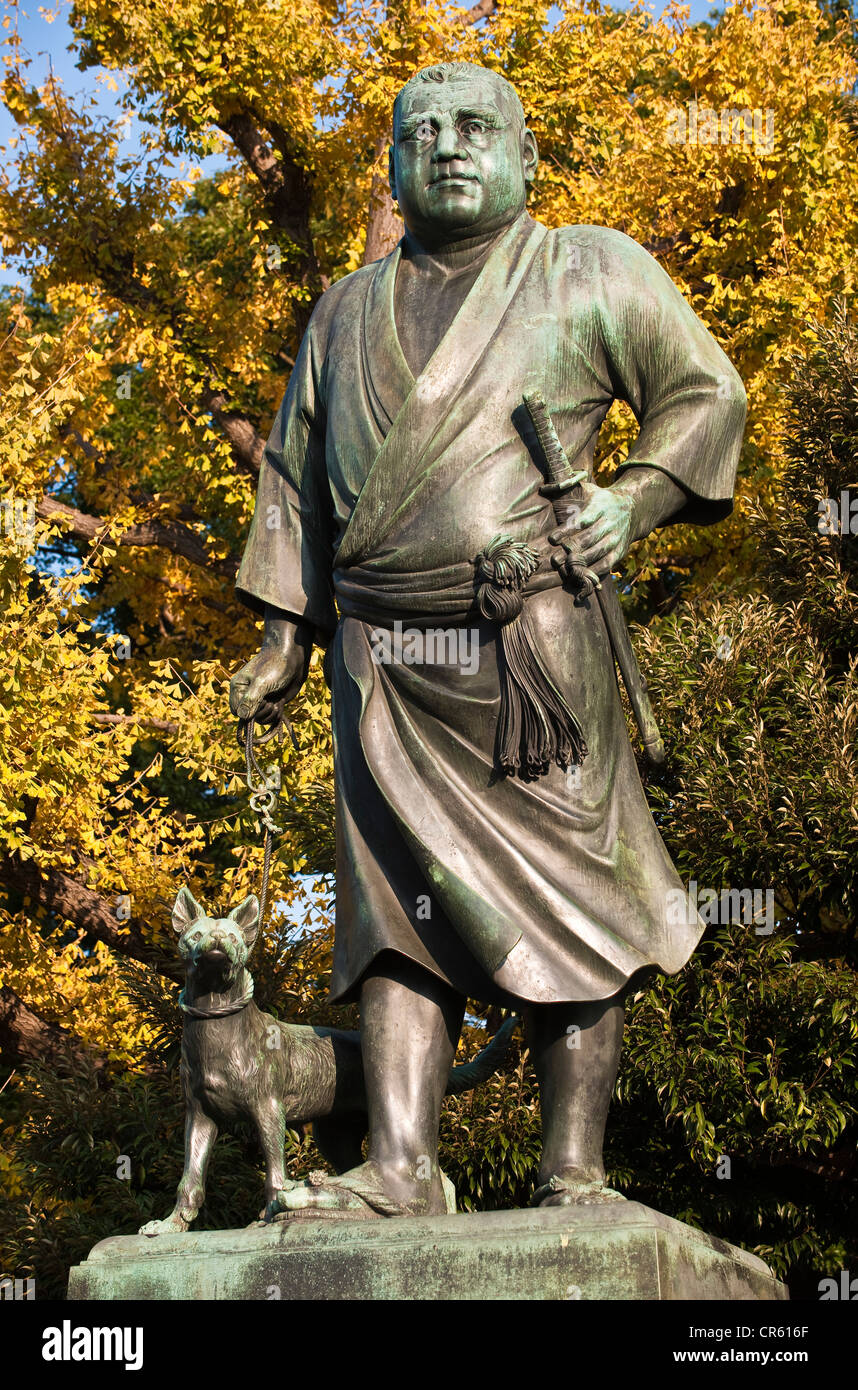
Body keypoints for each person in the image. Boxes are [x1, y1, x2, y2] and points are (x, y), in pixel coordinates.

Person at [229, 61, 746, 1217]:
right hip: (380, 665)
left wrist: (631, 498)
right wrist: (281, 636)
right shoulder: (343, 312)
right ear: (397, 165)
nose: (449, 147)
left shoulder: (586, 268)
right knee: (389, 913)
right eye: (423, 132)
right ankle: (402, 1163)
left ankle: (575, 1171)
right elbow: (293, 482)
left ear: (520, 153)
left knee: (577, 893)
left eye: (475, 128)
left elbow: (705, 393)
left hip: (527, 647)